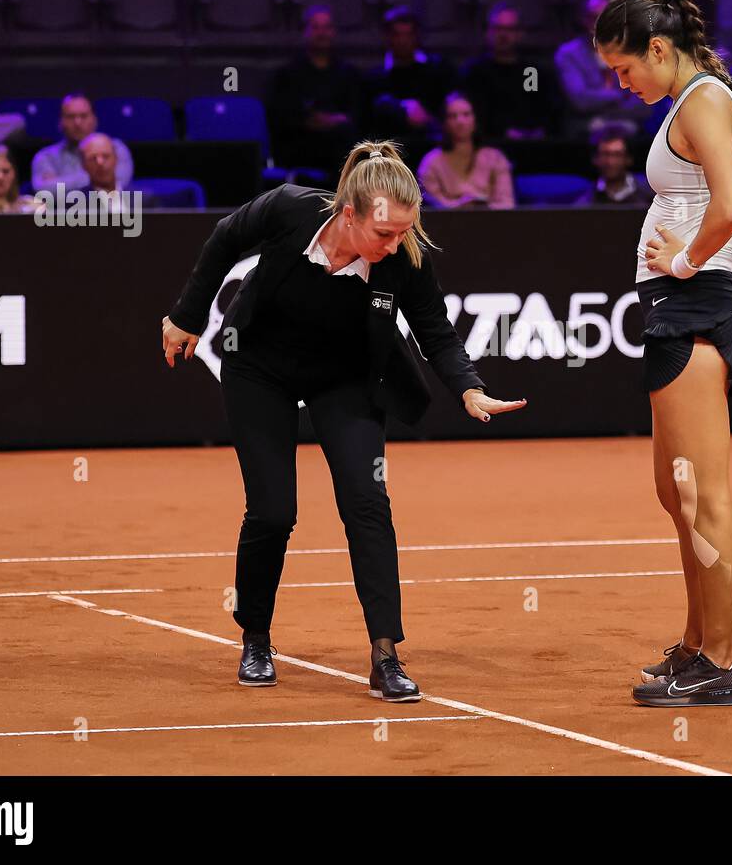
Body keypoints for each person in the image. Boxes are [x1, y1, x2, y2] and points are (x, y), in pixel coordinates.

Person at [161, 141, 526, 701]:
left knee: (367, 503)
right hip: (259, 368)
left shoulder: (403, 258)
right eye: (385, 234)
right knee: (273, 510)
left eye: (404, 232)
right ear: (348, 214)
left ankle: (386, 655)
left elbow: (436, 330)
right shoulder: (288, 209)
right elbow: (224, 238)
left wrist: (470, 388)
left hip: (346, 379)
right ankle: (256, 639)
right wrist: (187, 317)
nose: (396, 243)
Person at [594, 0, 732, 707]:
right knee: (676, 493)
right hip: (679, 305)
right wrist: (713, 257)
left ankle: (721, 665)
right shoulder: (690, 103)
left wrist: (690, 262)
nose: (620, 83)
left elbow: (731, 206)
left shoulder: (702, 101)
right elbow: (712, 210)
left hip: (693, 307)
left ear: (657, 49)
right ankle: (695, 644)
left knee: (706, 497)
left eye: (624, 68)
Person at [265, 4, 364, 171]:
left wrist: (336, 121)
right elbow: (279, 117)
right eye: (316, 27)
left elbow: (358, 114)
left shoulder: (350, 74)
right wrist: (310, 122)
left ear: (334, 32)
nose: (322, 33)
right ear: (306, 32)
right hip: (302, 145)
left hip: (340, 145)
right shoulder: (287, 75)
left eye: (326, 27)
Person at [556, 0, 654, 139]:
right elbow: (580, 101)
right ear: (584, 20)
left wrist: (606, 109)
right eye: (594, 18)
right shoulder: (568, 54)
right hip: (586, 128)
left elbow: (645, 103)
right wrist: (619, 96)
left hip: (628, 126)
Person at [459, 3, 561, 139]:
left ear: (520, 34)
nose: (503, 35)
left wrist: (537, 131)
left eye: (510, 29)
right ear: (488, 33)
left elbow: (541, 107)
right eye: (498, 29)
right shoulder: (475, 72)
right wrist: (504, 132)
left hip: (531, 144)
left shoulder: (531, 72)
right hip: (490, 144)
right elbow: (475, 114)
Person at [366, 7, 456, 140]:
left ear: (417, 36)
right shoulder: (374, 79)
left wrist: (428, 120)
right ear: (387, 37)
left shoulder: (439, 70)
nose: (403, 41)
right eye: (397, 35)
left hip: (431, 147)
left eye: (408, 35)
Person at [417, 92, 515, 209]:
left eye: (466, 114)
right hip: (447, 225)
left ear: (475, 119)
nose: (460, 121)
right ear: (445, 122)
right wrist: (462, 206)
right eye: (453, 116)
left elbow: (507, 203)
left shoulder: (495, 158)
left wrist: (482, 208)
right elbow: (435, 207)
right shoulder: (431, 162)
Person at [30, 93, 135, 193]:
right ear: (61, 121)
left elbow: (120, 183)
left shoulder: (115, 148)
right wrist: (99, 176)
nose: (77, 123)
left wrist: (60, 181)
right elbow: (43, 191)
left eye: (83, 116)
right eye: (71, 117)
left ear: (94, 119)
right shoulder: (46, 156)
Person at [574, 123, 654, 206]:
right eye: (605, 154)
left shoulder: (651, 194)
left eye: (617, 154)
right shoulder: (585, 202)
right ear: (595, 159)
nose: (610, 162)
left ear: (629, 159)